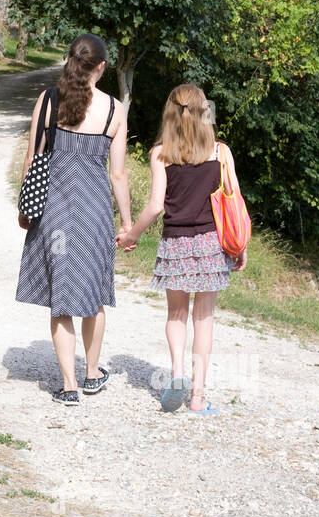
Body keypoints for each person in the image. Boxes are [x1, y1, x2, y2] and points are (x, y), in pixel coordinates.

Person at [117, 84, 247, 415]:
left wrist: (131, 235)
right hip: (210, 243)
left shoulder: (160, 154)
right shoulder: (220, 152)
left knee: (176, 314)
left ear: (170, 115)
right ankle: (198, 398)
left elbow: (155, 206)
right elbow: (235, 203)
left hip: (175, 243)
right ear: (206, 112)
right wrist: (240, 245)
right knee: (203, 318)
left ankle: (176, 374)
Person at [16, 34, 131, 405]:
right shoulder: (114, 110)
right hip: (94, 215)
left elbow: (32, 158)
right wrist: (127, 223)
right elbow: (118, 175)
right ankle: (92, 373)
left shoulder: (49, 100)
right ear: (101, 67)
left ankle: (67, 385)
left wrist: (24, 207)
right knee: (93, 295)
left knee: (61, 298)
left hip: (54, 213)